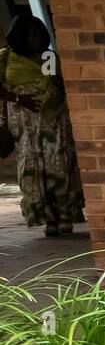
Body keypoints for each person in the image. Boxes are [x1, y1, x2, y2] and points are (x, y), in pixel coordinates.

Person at [0, 13, 85, 237]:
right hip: (24, 124)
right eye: (32, 35)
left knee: (58, 164)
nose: (37, 39)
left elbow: (53, 82)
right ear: (20, 36)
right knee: (32, 170)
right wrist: (19, 99)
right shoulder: (6, 58)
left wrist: (56, 79)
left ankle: (65, 216)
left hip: (53, 119)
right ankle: (47, 218)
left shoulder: (47, 57)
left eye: (40, 34)